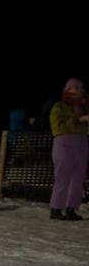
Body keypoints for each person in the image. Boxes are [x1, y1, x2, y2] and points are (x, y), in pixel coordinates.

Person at [48, 78, 89, 220]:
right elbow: (58, 126)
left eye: (81, 87)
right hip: (64, 142)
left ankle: (71, 208)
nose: (80, 90)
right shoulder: (59, 106)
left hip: (83, 142)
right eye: (76, 87)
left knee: (78, 178)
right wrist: (79, 120)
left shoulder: (84, 106)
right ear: (68, 89)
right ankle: (56, 209)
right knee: (62, 177)